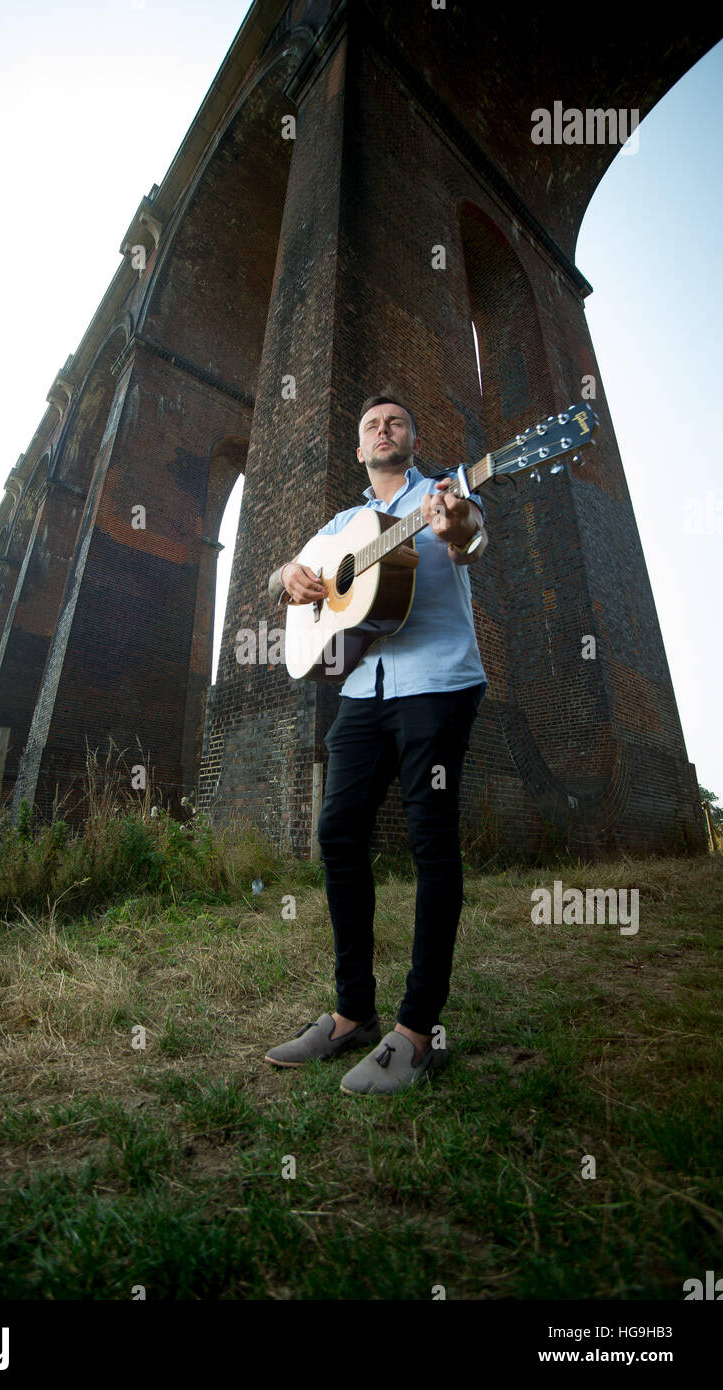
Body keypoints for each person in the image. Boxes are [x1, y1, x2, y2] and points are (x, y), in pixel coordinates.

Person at [264, 394, 488, 1095]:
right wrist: (288, 581)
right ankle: (352, 1012)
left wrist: (457, 527)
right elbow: (283, 579)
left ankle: (417, 1034)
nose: (383, 429)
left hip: (438, 682)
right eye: (370, 425)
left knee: (429, 842)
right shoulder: (342, 525)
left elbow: (470, 538)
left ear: (412, 439)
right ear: (359, 449)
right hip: (362, 689)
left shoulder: (444, 493)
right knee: (336, 835)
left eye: (395, 421)